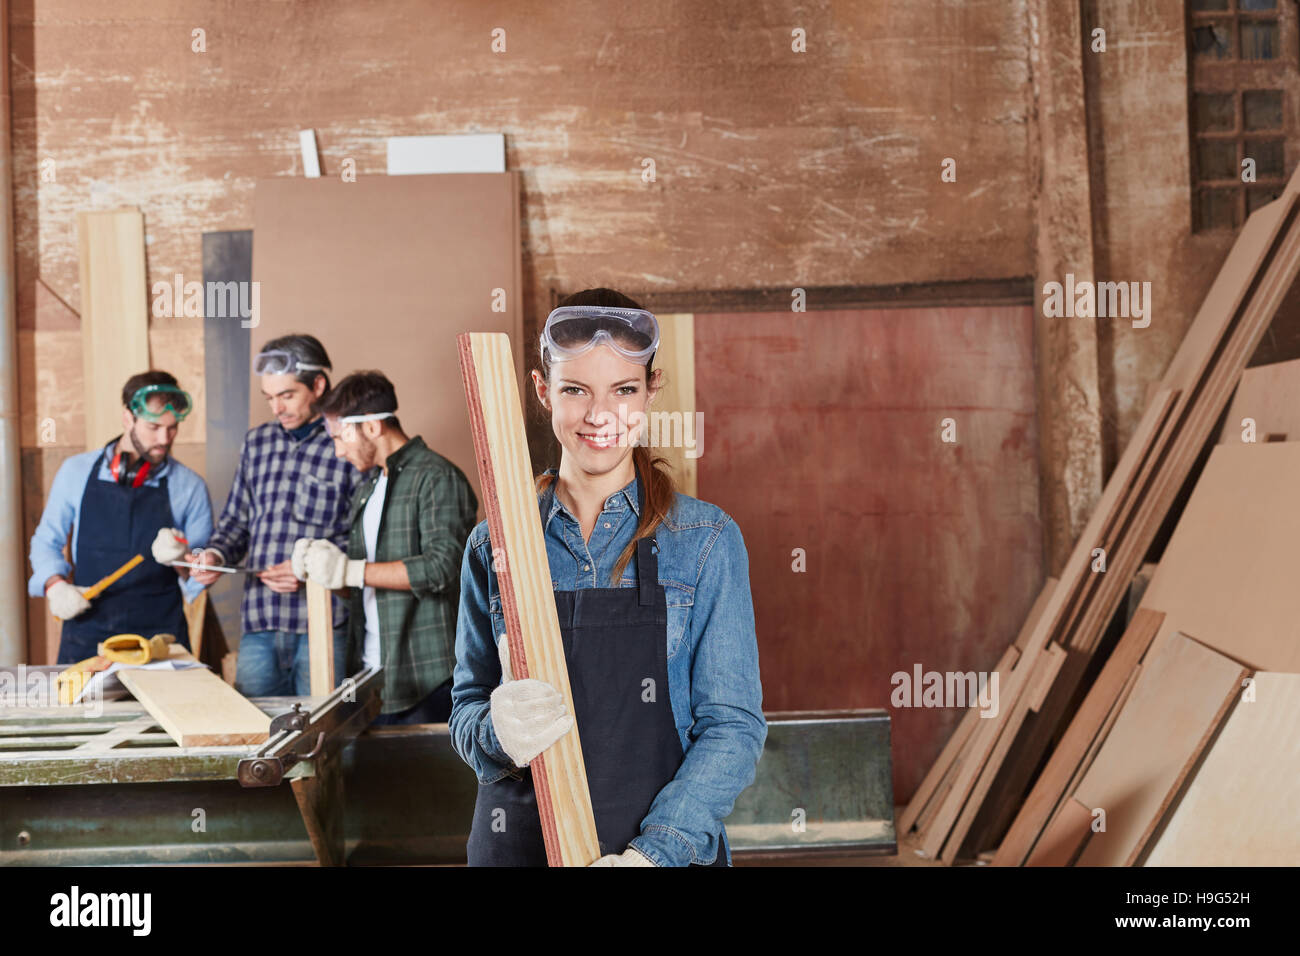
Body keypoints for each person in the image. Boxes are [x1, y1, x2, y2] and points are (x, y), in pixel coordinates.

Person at [450, 289, 766, 867]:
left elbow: (732, 728)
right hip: (517, 846)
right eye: (575, 390)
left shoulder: (705, 541)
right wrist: (497, 733)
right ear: (543, 392)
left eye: (623, 390)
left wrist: (653, 854)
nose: (600, 416)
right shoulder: (494, 545)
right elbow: (466, 707)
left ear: (650, 391)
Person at [296, 371, 478, 724]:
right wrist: (326, 572)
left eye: (340, 437)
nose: (338, 450)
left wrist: (351, 569)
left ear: (372, 427)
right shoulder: (369, 488)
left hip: (426, 677)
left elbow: (444, 568)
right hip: (374, 675)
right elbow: (370, 584)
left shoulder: (436, 477)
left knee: (423, 780)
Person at [191, 335, 360, 696]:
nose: (277, 408)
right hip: (260, 620)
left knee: (326, 737)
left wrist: (307, 565)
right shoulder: (257, 442)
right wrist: (215, 556)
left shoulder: (347, 441)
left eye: (287, 395)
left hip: (323, 620)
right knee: (257, 735)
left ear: (318, 385)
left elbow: (362, 535)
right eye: (270, 398)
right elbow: (236, 522)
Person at [28, 371, 213, 663]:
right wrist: (56, 585)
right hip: (87, 635)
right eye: (154, 427)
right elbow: (46, 540)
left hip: (161, 641)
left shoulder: (189, 486)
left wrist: (184, 556)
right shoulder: (75, 472)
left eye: (173, 428)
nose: (165, 439)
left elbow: (201, 571)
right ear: (128, 418)